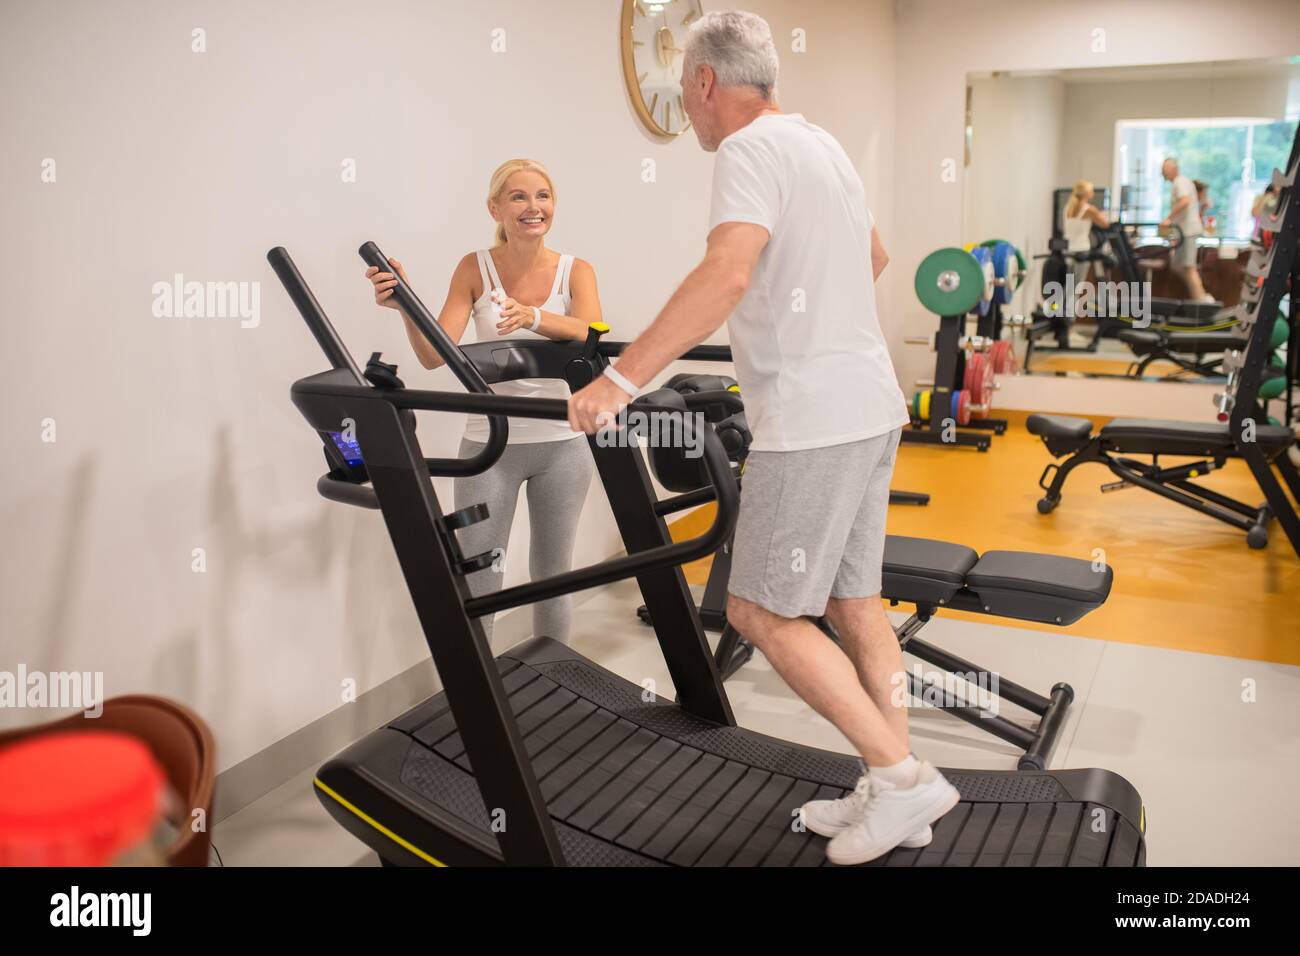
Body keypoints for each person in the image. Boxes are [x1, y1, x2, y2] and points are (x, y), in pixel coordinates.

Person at [567, 10, 958, 865]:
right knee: (855, 607)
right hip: (873, 404)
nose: (691, 114)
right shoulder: (821, 145)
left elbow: (727, 271)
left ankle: (902, 779)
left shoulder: (747, 152)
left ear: (706, 82)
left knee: (757, 611)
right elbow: (876, 256)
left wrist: (617, 381)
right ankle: (892, 777)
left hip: (814, 420)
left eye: (687, 95)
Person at [366, 159, 598, 642]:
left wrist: (532, 315)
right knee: (480, 573)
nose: (533, 207)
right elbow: (433, 355)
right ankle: (485, 698)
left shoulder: (576, 272)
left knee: (554, 573)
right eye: (518, 197)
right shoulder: (475, 268)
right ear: (495, 207)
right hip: (490, 447)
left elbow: (592, 334)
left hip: (562, 443)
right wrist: (405, 304)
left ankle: (557, 674)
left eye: (543, 196)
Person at [1159, 157, 1213, 302]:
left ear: (1173, 169)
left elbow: (1184, 201)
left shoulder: (1180, 182)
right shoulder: (1181, 182)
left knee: (1188, 267)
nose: (1162, 172)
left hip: (1188, 231)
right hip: (1183, 231)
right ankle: (1199, 297)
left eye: (1164, 169)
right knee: (1177, 265)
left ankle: (1202, 300)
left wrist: (1168, 219)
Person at [1061, 179, 1111, 286]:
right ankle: (1070, 303)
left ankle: (1063, 303)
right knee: (1076, 286)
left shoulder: (1067, 207)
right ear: (1086, 193)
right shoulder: (1089, 209)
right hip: (1081, 250)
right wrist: (1102, 215)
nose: (1093, 193)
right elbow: (1105, 224)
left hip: (1067, 250)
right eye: (1091, 191)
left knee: (1067, 284)